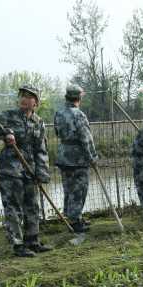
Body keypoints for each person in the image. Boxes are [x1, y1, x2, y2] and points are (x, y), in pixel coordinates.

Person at [0, 84, 53, 258]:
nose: (23, 98)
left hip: (30, 170)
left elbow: (41, 150)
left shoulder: (39, 123)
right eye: (21, 95)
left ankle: (33, 242)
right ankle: (18, 245)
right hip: (10, 169)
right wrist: (5, 133)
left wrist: (41, 174)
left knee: (32, 207)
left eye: (28, 96)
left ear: (36, 102)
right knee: (13, 209)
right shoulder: (8, 115)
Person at [54, 84, 99, 233]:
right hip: (77, 157)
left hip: (63, 154)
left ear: (66, 97)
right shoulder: (79, 114)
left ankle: (74, 217)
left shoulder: (59, 112)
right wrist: (93, 158)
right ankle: (74, 223)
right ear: (80, 98)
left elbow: (57, 132)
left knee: (68, 188)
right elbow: (86, 138)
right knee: (78, 189)